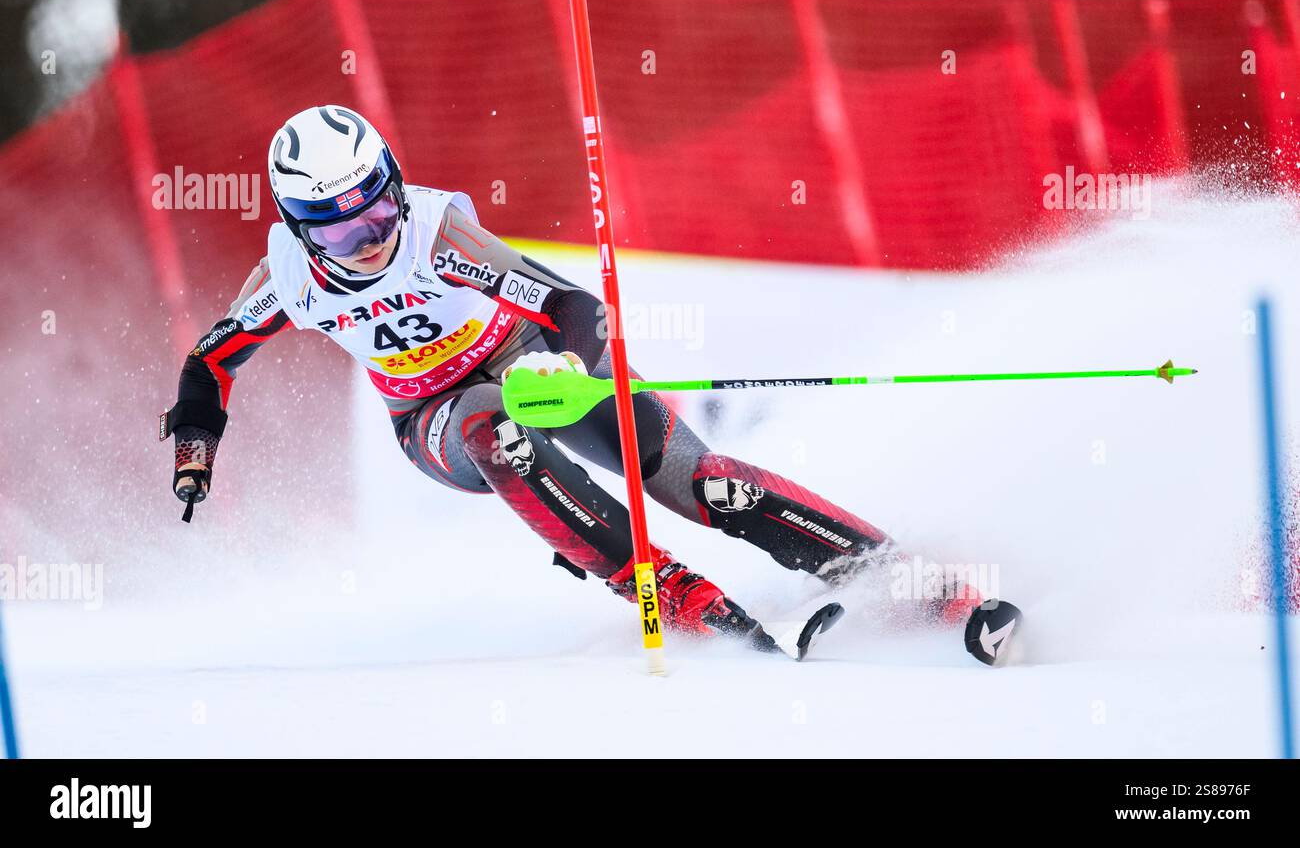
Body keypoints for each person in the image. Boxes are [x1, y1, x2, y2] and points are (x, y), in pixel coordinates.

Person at [162, 105, 991, 658]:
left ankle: (904, 577)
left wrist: (569, 361)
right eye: (340, 233)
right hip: (434, 420)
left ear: (391, 181)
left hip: (531, 357)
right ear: (298, 228)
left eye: (377, 211)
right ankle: (668, 592)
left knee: (698, 481)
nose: (369, 241)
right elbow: (211, 361)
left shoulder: (438, 234)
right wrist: (195, 443)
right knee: (493, 421)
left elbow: (572, 307)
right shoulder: (289, 283)